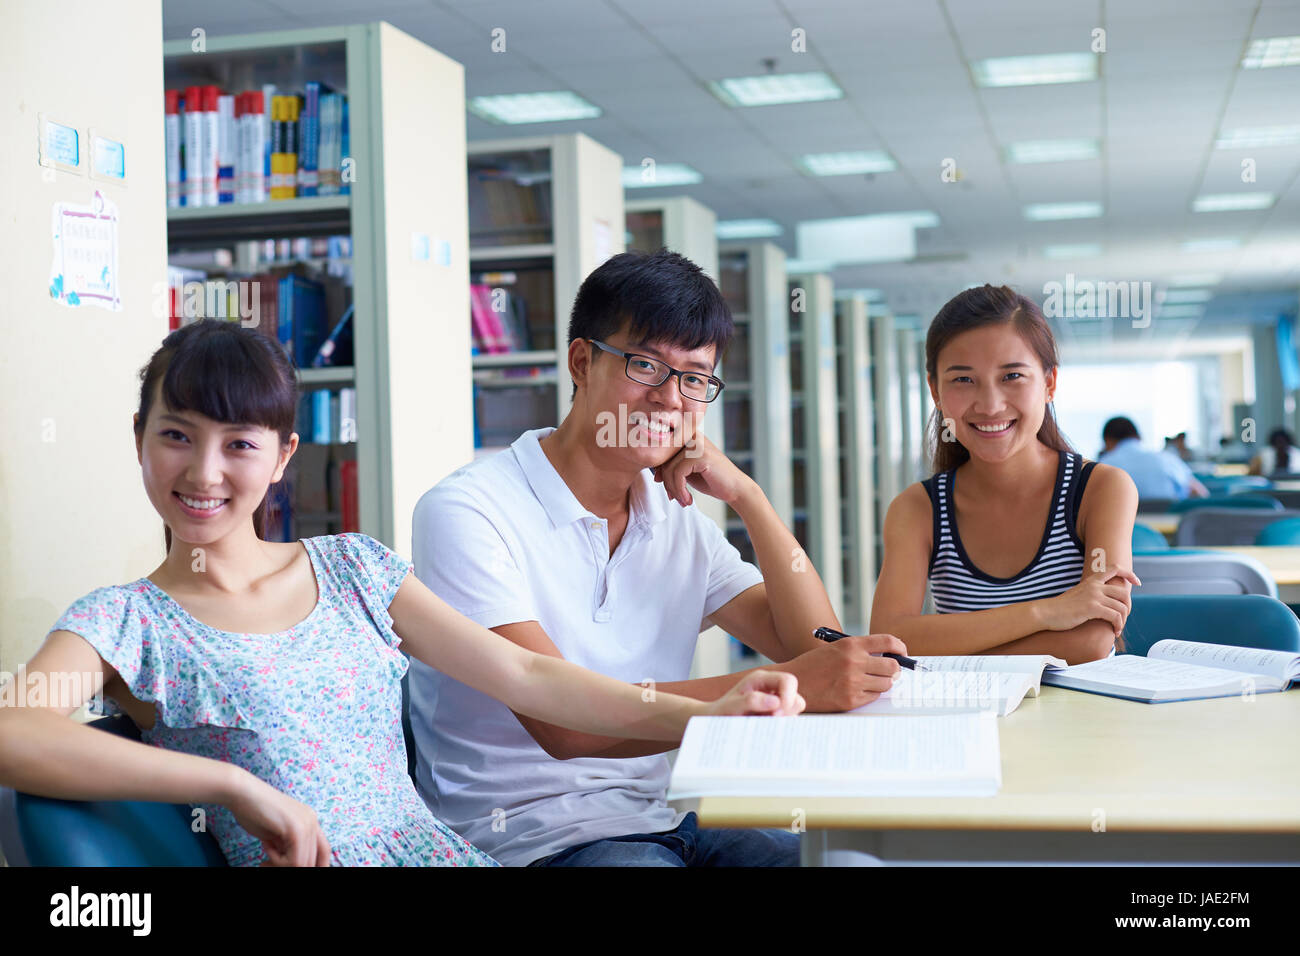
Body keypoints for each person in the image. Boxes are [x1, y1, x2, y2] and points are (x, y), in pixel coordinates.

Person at [0, 319, 805, 868]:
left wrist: (708, 711)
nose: (204, 473)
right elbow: (12, 731)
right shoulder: (127, 620)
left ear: (282, 458)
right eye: (175, 435)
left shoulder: (355, 569)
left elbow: (530, 679)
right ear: (138, 443)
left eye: (238, 444)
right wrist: (229, 786)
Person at [410, 249, 906, 867]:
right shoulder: (468, 510)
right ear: (582, 362)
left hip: (664, 822)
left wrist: (751, 498)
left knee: (849, 864)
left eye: (695, 378)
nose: (671, 399)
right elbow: (564, 727)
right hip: (527, 841)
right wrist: (781, 688)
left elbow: (807, 644)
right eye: (646, 366)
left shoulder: (674, 519)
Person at [870, 285, 1140, 662]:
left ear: (1049, 383)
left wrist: (944, 642)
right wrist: (1048, 612)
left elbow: (1091, 641)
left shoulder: (1100, 489)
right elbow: (890, 636)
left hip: (1081, 716)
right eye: (963, 380)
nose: (991, 405)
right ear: (935, 391)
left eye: (1012, 375)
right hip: (965, 716)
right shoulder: (919, 507)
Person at [1099, 417, 1208, 500]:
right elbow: (1200, 493)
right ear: (1139, 437)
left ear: (1107, 441)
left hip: (1125, 528)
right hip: (1170, 526)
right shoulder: (1167, 459)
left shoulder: (1103, 466)